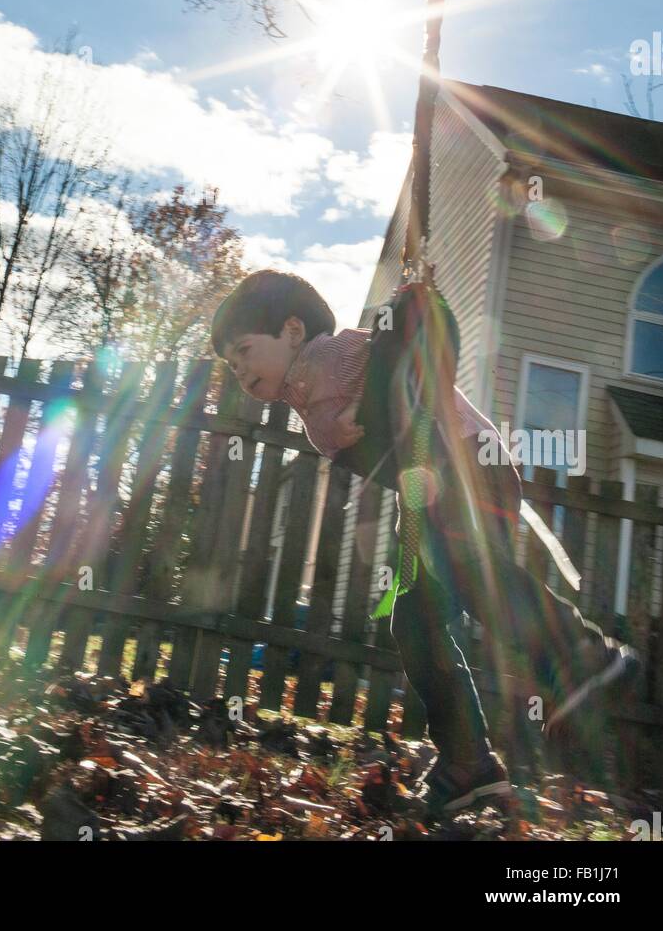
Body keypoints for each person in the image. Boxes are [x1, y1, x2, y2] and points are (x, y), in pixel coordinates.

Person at [211, 268, 640, 816]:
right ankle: (468, 761)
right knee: (413, 622)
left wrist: (412, 297)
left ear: (293, 330)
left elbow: (419, 334)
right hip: (425, 495)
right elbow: (383, 461)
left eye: (245, 349)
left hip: (468, 463)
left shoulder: (337, 354)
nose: (239, 368)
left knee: (462, 566)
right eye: (230, 363)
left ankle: (583, 655)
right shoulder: (309, 414)